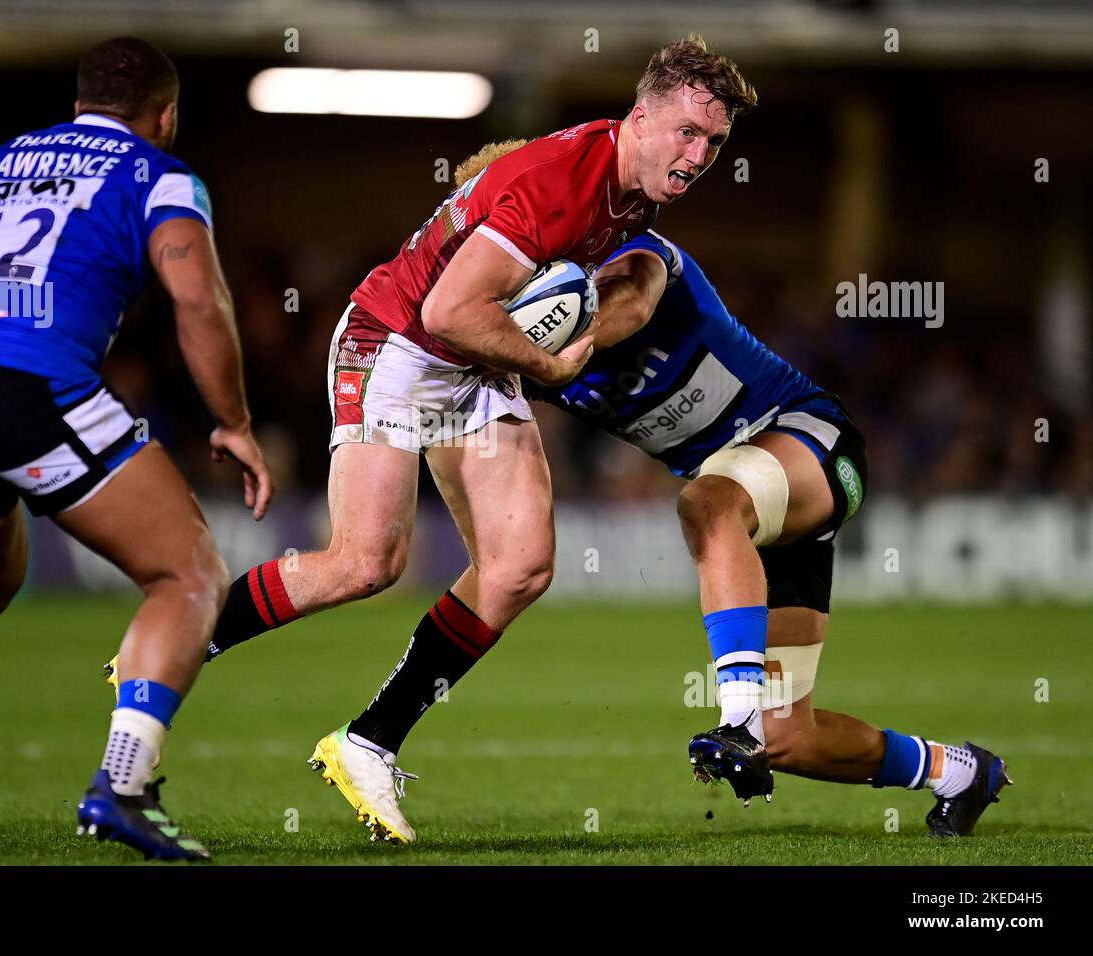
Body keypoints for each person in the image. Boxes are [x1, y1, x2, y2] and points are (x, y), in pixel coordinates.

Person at [107, 34, 759, 844]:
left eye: (714, 143)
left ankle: (368, 741)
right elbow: (450, 310)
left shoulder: (635, 187)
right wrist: (549, 367)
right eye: (687, 134)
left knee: (520, 567)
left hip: (474, 362)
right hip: (400, 341)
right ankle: (177, 644)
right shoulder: (565, 184)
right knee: (365, 562)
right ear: (640, 115)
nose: (698, 156)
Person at [0, 36, 272, 861]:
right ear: (166, 116)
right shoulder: (159, 175)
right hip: (31, 386)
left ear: (79, 103)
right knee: (186, 575)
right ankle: (122, 783)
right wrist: (234, 422)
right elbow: (199, 301)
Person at [530, 226, 1011, 835]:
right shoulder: (518, 350)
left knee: (706, 504)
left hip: (811, 442)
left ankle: (737, 719)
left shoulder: (627, 253)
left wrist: (546, 345)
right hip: (762, 518)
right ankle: (959, 772)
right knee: (788, 736)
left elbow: (636, 300)